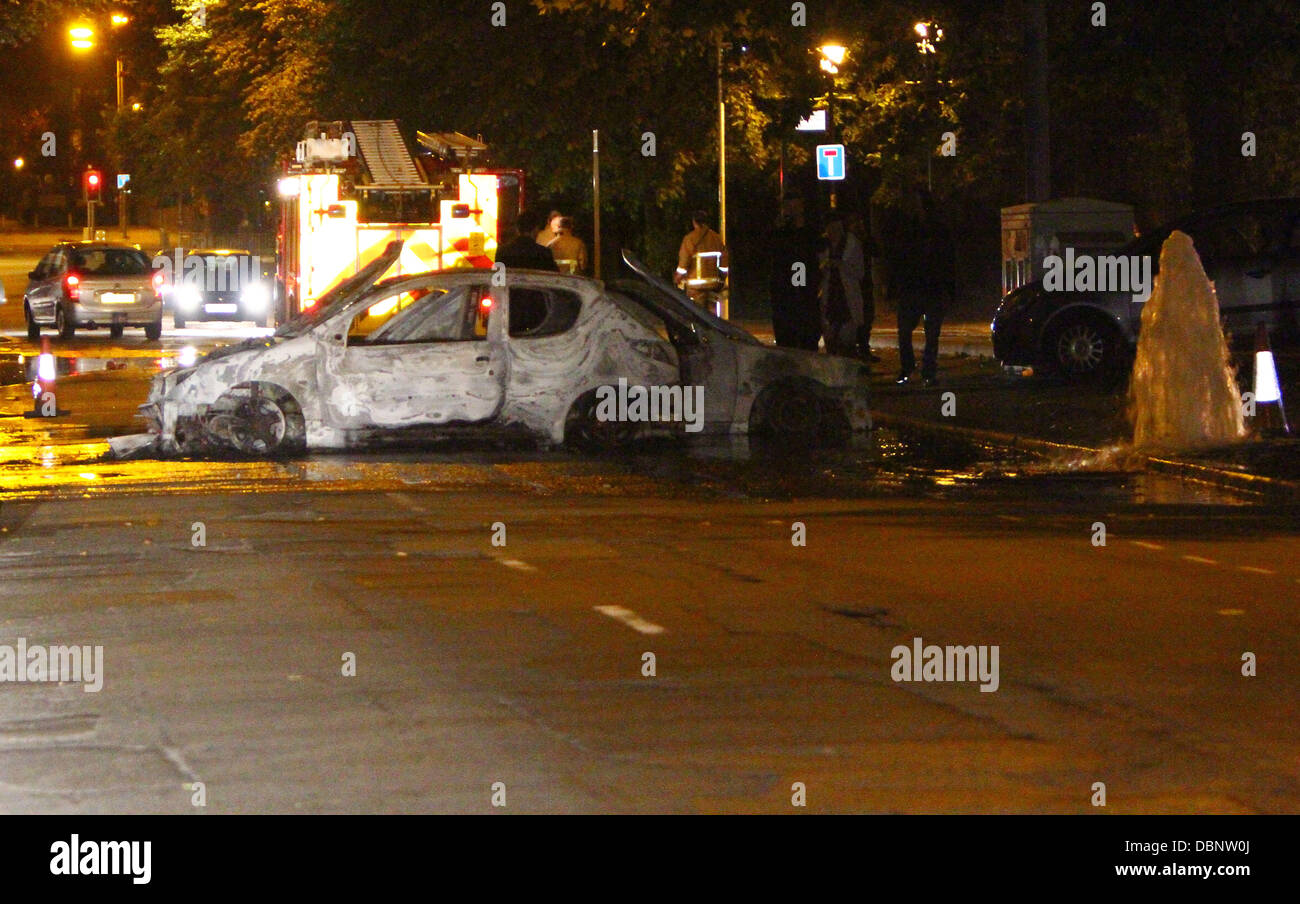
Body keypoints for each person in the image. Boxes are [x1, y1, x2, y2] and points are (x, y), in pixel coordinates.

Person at [883, 187, 955, 386]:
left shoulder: (933, 230)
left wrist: (950, 287)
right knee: (907, 330)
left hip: (929, 287)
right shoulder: (909, 229)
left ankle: (925, 370)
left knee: (930, 333)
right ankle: (913, 368)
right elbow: (898, 259)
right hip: (915, 287)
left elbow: (947, 259)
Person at [768, 197, 823, 350]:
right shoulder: (781, 233)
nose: (790, 212)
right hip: (786, 295)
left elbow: (806, 261)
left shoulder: (808, 233)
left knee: (806, 338)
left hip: (803, 293)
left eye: (794, 208)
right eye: (788, 208)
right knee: (787, 340)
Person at [818, 212, 868, 357]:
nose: (833, 231)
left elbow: (860, 272)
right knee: (831, 340)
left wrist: (841, 265)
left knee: (847, 343)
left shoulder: (852, 244)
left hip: (847, 299)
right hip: (829, 298)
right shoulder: (822, 245)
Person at [675, 210, 729, 307]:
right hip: (713, 285)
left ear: (694, 222)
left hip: (695, 288)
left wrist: (678, 278)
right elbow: (724, 263)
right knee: (712, 315)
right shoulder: (717, 238)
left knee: (697, 315)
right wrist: (722, 279)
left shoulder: (689, 239)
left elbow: (683, 263)